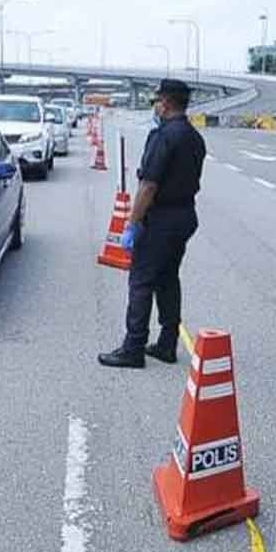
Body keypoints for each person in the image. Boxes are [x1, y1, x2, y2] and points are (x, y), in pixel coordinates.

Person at [99, 79, 205, 368]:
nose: (155, 106)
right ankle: (167, 342)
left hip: (161, 218)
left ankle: (133, 347)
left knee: (142, 280)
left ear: (166, 103)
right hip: (184, 216)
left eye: (156, 101)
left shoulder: (164, 136)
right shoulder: (194, 137)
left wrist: (132, 223)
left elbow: (148, 186)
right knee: (168, 277)